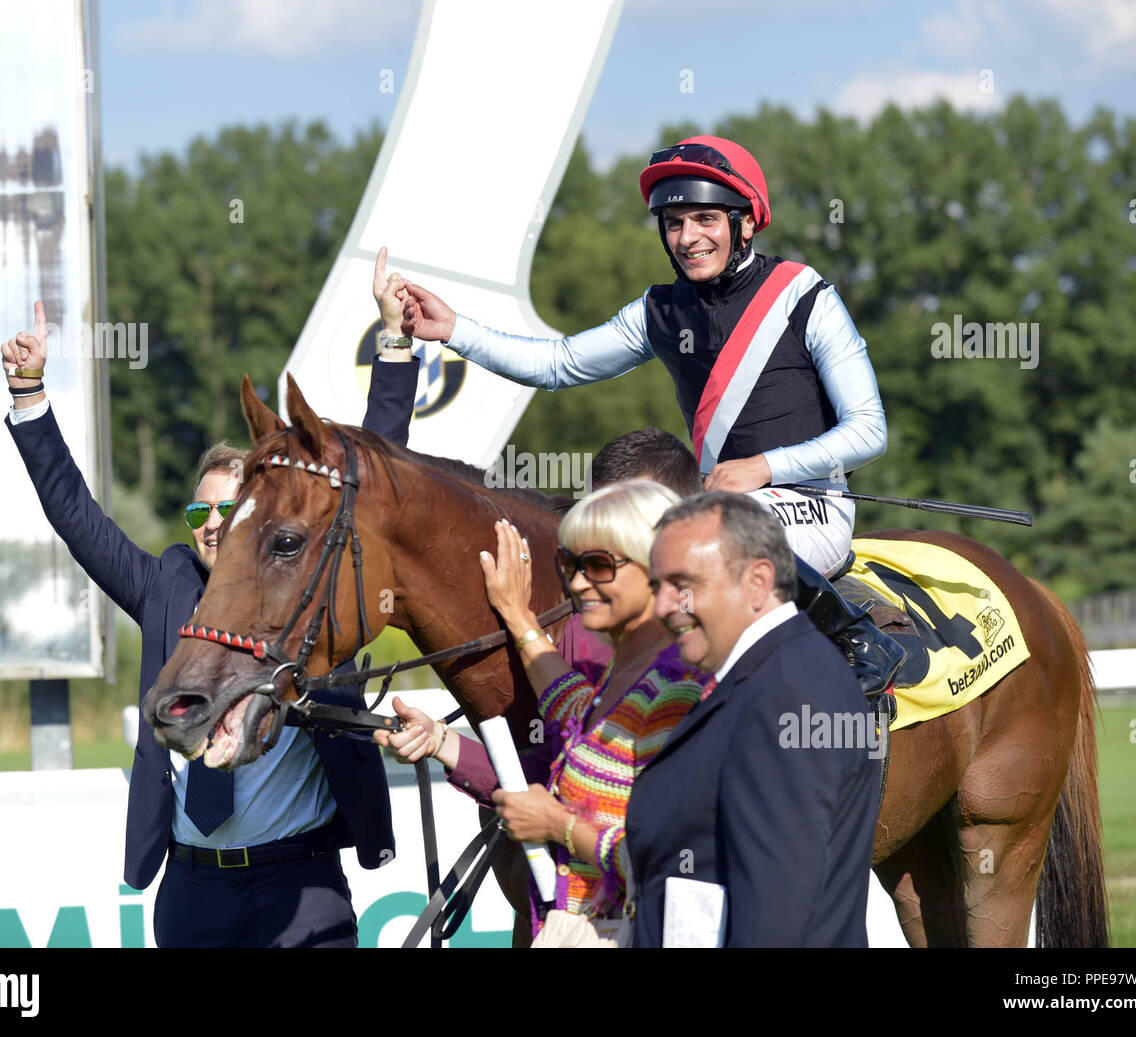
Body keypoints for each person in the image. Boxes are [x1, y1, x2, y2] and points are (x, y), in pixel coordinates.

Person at [0, 253, 418, 947]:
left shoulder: (307, 586)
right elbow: (76, 516)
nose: (216, 525)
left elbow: (372, 479)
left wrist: (395, 342)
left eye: (233, 511)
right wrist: (29, 397)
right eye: (202, 514)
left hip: (301, 880)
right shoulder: (164, 587)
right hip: (194, 889)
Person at [398, 135, 902, 696]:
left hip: (811, 509)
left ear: (746, 224)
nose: (688, 238)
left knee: (718, 534)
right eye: (674, 223)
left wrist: (762, 466)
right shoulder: (658, 310)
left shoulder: (805, 295)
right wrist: (454, 331)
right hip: (712, 507)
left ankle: (858, 637)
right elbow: (559, 364)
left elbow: (869, 430)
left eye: (705, 219)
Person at [375, 479, 705, 941]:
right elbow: (566, 719)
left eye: (597, 565)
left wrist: (558, 825)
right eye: (570, 564)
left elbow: (677, 864)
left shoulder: (681, 689)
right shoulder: (623, 680)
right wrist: (440, 740)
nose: (575, 582)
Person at [626, 492, 879, 947]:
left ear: (759, 580)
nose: (663, 606)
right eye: (657, 586)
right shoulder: (768, 677)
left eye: (682, 584)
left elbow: (775, 921)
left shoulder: (787, 693)